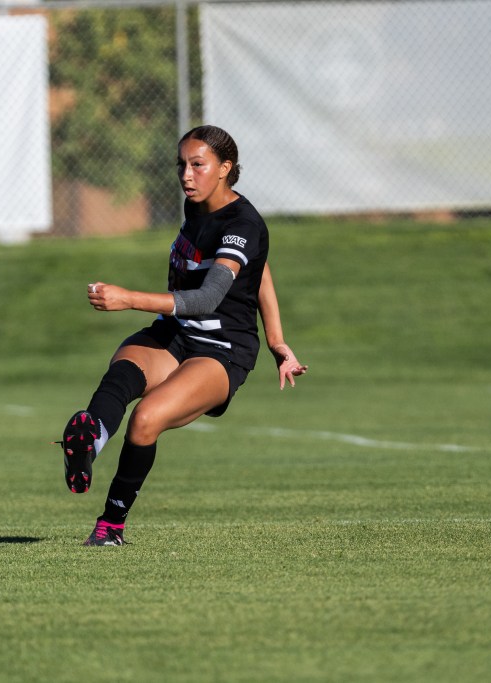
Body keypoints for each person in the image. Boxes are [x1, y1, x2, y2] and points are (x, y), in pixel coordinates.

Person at [58, 124, 307, 546]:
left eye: (197, 165)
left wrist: (128, 298)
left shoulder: (243, 223)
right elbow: (259, 268)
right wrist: (279, 340)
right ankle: (88, 443)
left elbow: (209, 297)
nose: (186, 175)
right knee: (122, 373)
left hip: (222, 350)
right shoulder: (197, 209)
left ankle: (110, 526)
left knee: (145, 420)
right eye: (181, 165)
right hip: (177, 333)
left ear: (225, 168)